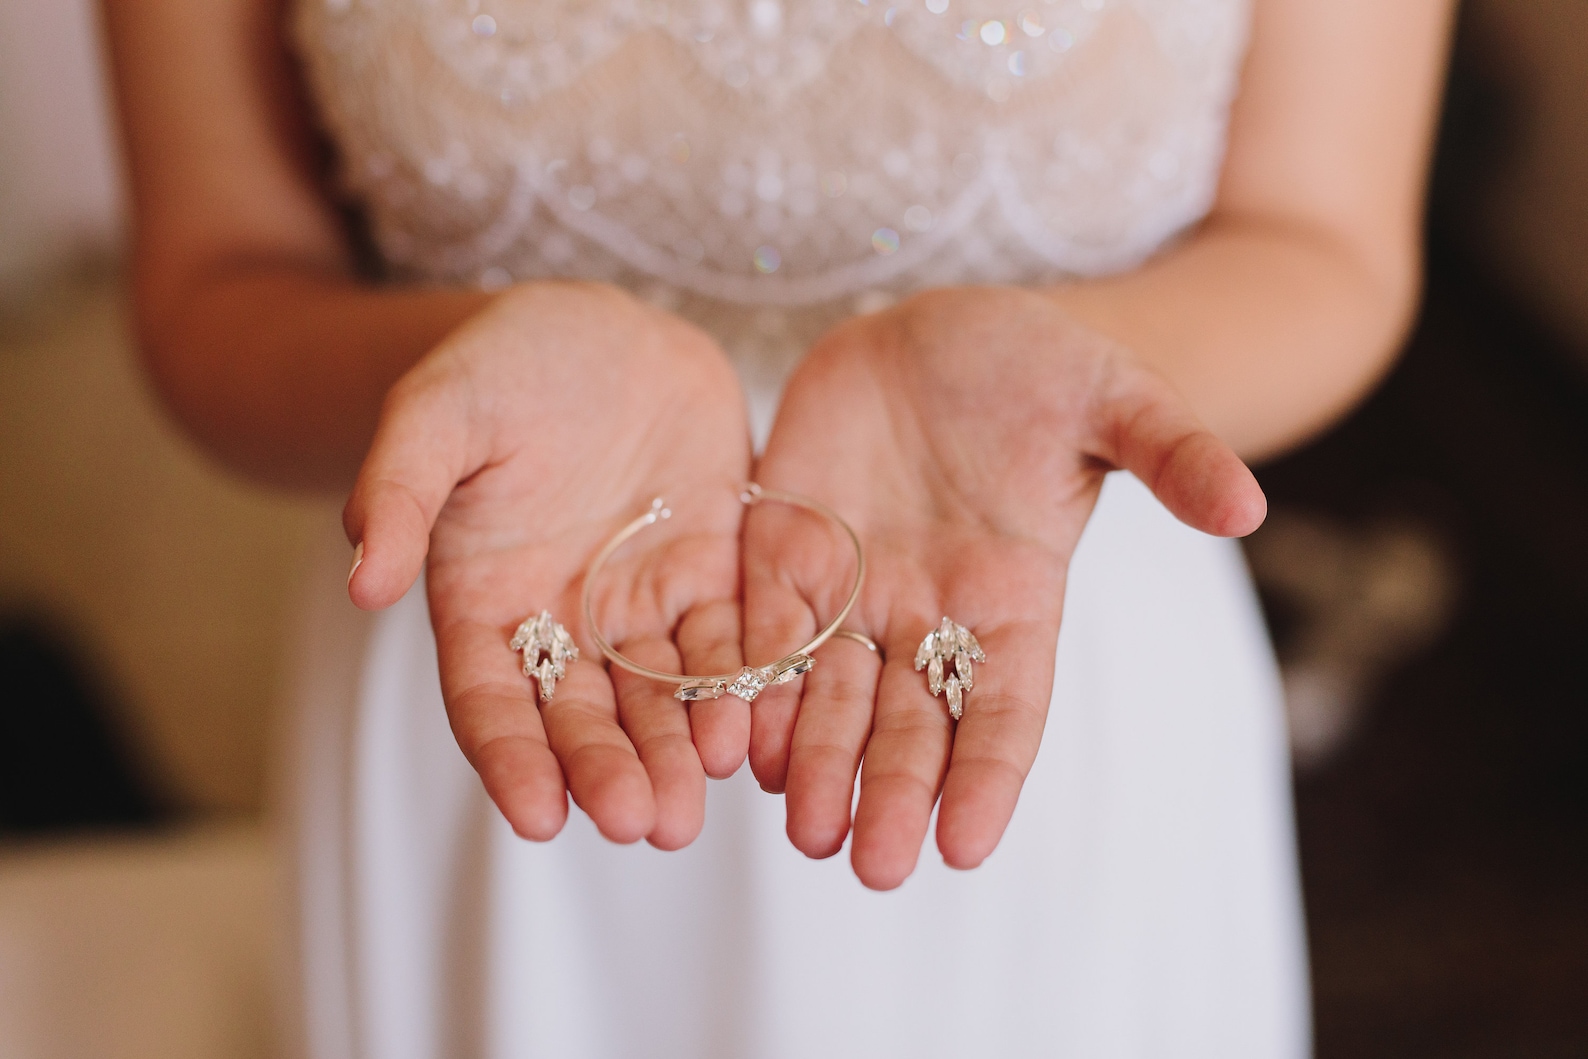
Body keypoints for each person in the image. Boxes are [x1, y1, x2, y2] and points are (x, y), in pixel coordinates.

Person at [105, 0, 1451, 1054]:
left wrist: (1067, 363)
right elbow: (215, 288)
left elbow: (1326, 239)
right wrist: (466, 360)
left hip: (1012, 612)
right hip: (519, 632)